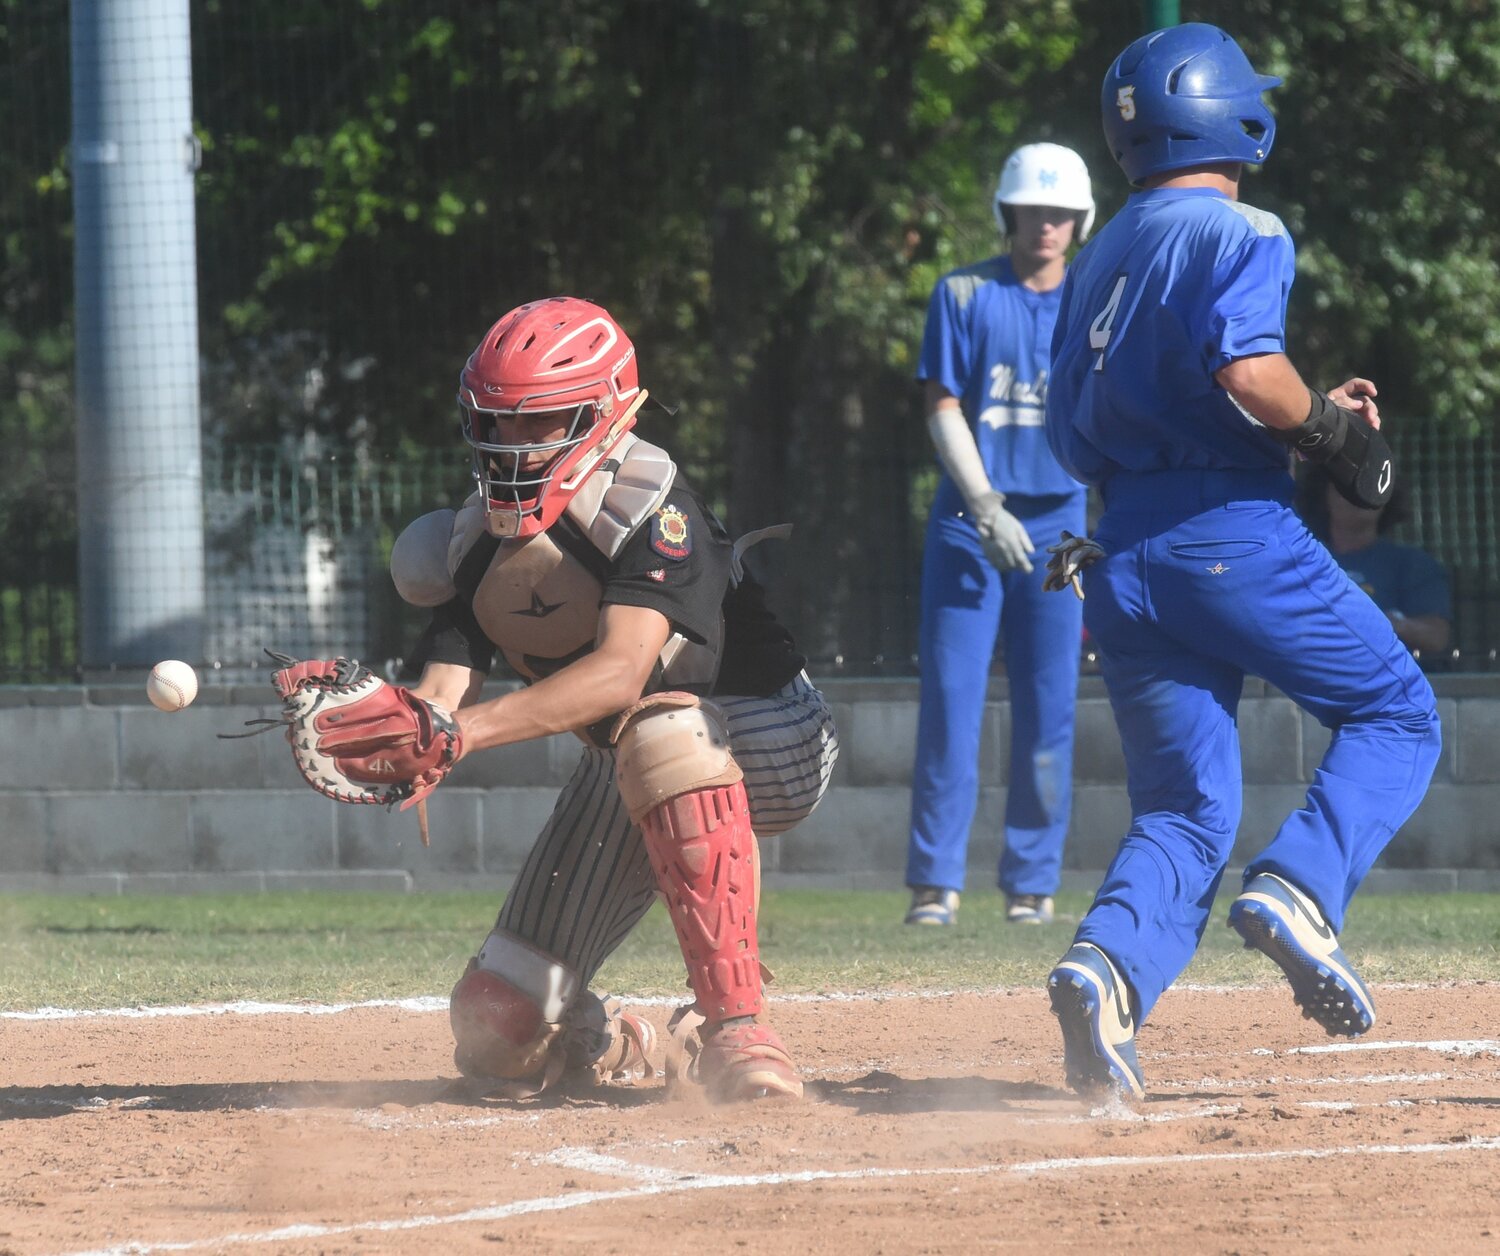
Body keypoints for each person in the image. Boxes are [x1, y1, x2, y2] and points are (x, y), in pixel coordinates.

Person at [274, 296, 839, 1103]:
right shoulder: (473, 544)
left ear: (607, 414)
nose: (512, 446)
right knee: (495, 1023)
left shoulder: (653, 503)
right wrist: (392, 731)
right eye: (497, 425)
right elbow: (438, 698)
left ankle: (738, 1029)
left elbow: (620, 673)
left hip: (769, 734)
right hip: (634, 763)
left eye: (542, 423)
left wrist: (458, 734)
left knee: (661, 728)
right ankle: (627, 1043)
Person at [1039, 24, 1441, 1100]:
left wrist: (1302, 416)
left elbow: (1073, 422)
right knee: (1399, 710)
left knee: (1183, 807)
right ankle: (1302, 887)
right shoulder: (1241, 226)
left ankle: (1106, 969)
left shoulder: (1101, 253)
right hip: (1228, 533)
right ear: (1232, 112)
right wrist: (1332, 433)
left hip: (1118, 548)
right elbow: (1251, 370)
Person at [904, 142, 1096, 929]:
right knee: (950, 704)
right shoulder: (964, 294)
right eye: (1031, 210)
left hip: (1061, 529)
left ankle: (1031, 885)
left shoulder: (1095, 300)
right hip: (968, 521)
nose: (1044, 225)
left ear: (1079, 221)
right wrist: (985, 505)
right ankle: (934, 886)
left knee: (1050, 707)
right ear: (1008, 214)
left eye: (1058, 212)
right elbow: (942, 402)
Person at [1297, 466, 1452, 663]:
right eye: (1346, 486)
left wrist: (1384, 623)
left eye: (1371, 484)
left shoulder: (1412, 564)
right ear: (1323, 496)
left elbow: (1436, 637)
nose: (1360, 494)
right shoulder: (1303, 562)